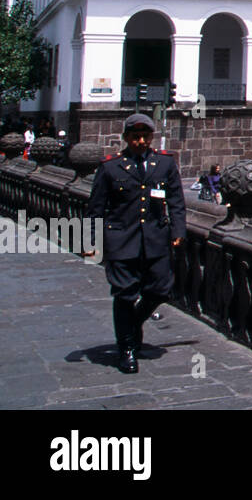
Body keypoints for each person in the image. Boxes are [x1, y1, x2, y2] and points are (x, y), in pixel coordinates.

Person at [86, 114, 186, 374]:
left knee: (161, 288)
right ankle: (127, 349)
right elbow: (95, 208)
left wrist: (178, 229)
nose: (141, 141)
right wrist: (89, 241)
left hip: (155, 238)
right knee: (125, 293)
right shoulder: (111, 167)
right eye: (135, 137)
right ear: (126, 138)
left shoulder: (163, 163)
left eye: (145, 137)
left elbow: (175, 200)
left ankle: (134, 323)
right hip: (121, 239)